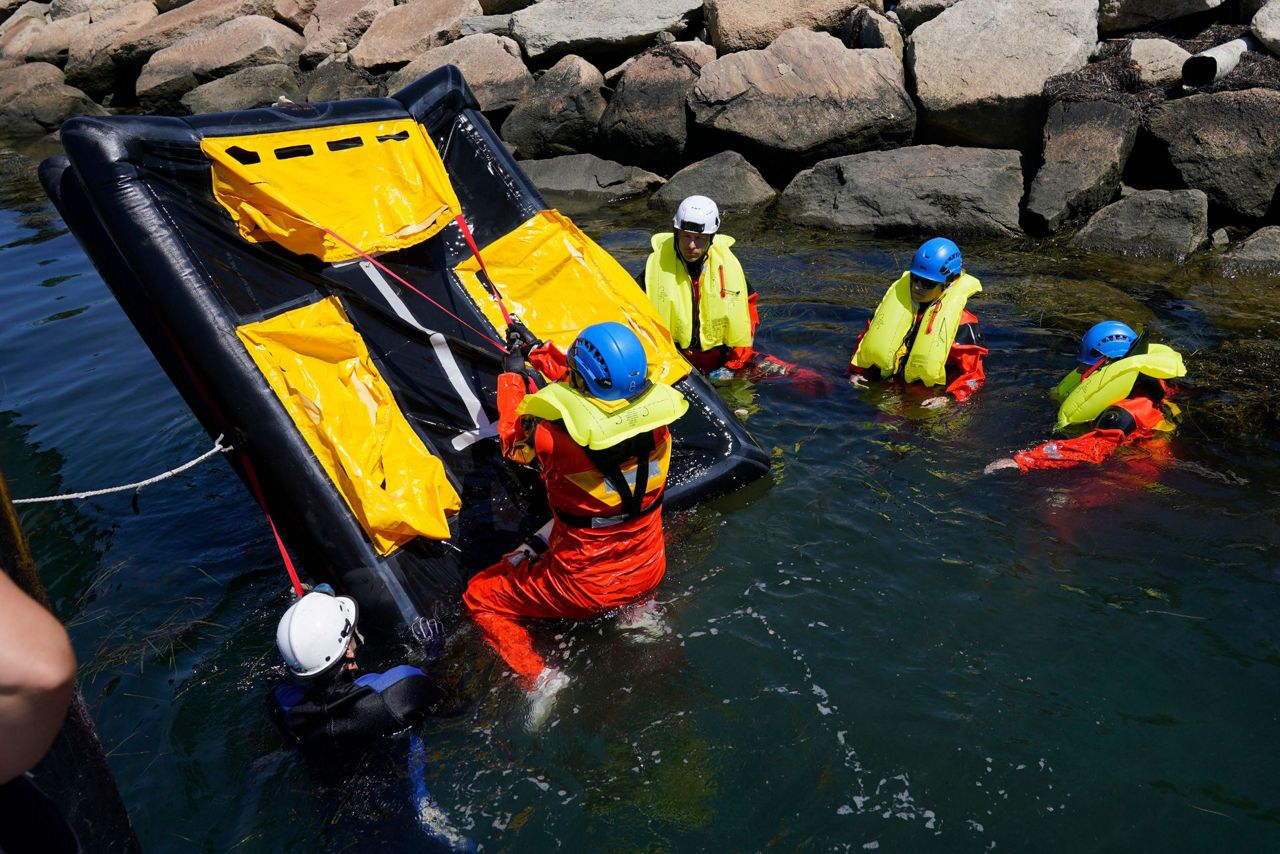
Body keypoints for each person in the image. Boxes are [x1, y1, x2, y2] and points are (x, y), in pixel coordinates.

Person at [463, 320, 688, 728]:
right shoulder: (659, 425)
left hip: (585, 585)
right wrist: (539, 350)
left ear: (580, 376)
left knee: (481, 597)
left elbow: (514, 443)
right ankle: (639, 614)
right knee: (600, 515)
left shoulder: (551, 436)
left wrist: (513, 376)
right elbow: (594, 394)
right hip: (649, 566)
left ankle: (540, 678)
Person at [985, 321, 1186, 474]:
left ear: (1108, 363)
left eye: (1087, 364)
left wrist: (1024, 460)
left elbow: (1090, 449)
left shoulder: (1123, 414)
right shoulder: (1149, 383)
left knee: (1056, 505)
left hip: (1134, 472)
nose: (1080, 369)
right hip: (1144, 456)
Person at [269, 586, 440, 758]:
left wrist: (300, 624)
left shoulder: (284, 710)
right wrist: (433, 656)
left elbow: (280, 676)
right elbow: (453, 704)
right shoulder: (399, 687)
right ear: (349, 651)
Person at [848, 237, 987, 408]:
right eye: (915, 278)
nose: (917, 287)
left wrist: (948, 399)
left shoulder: (963, 324)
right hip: (889, 387)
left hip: (930, 398)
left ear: (949, 283)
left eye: (928, 283)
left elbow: (974, 377)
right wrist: (857, 372)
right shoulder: (896, 306)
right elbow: (865, 340)